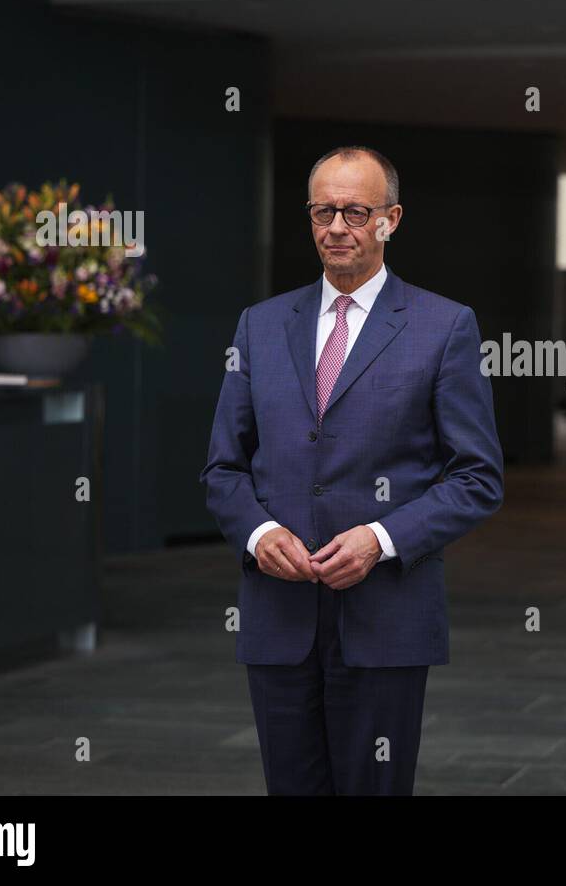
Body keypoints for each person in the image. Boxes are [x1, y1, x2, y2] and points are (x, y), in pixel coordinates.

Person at [200, 146, 503, 794]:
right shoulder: (258, 327)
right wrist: (257, 534)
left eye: (356, 212)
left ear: (391, 219)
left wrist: (380, 539)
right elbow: (223, 468)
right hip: (278, 617)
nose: (336, 226)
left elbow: (478, 476)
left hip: (386, 617)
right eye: (322, 210)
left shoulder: (444, 327)